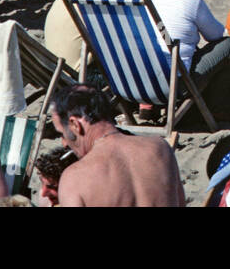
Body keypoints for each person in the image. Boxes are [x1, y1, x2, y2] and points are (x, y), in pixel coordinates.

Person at [131, 0, 230, 115]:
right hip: (173, 88)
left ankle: (148, 105)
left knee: (168, 43)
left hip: (134, 82)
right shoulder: (190, 0)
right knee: (229, 45)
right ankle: (214, 110)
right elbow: (215, 35)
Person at [49, 85, 185, 207]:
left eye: (62, 133)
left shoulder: (74, 179)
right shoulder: (159, 148)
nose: (64, 142)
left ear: (74, 124)